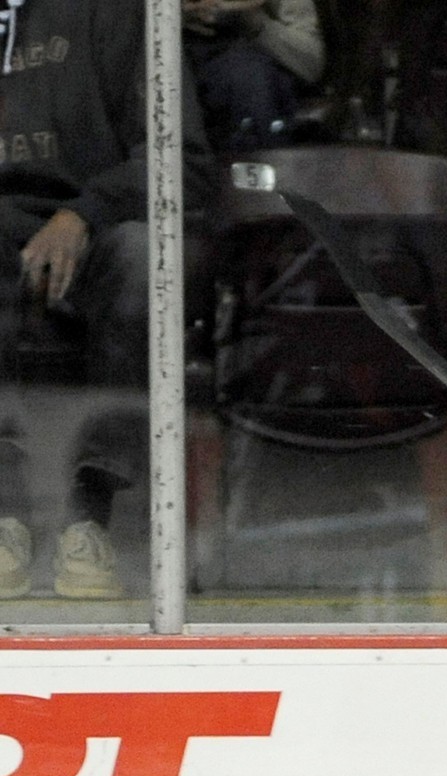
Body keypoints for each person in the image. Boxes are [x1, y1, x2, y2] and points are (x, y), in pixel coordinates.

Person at [0, 0, 215, 598]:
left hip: (100, 226)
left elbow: (183, 158)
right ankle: (6, 514)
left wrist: (83, 213)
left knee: (145, 255)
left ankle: (84, 517)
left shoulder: (119, 12)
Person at [182, 0, 324, 153]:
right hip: (173, 50)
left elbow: (311, 62)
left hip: (250, 71)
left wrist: (254, 21)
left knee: (248, 78)